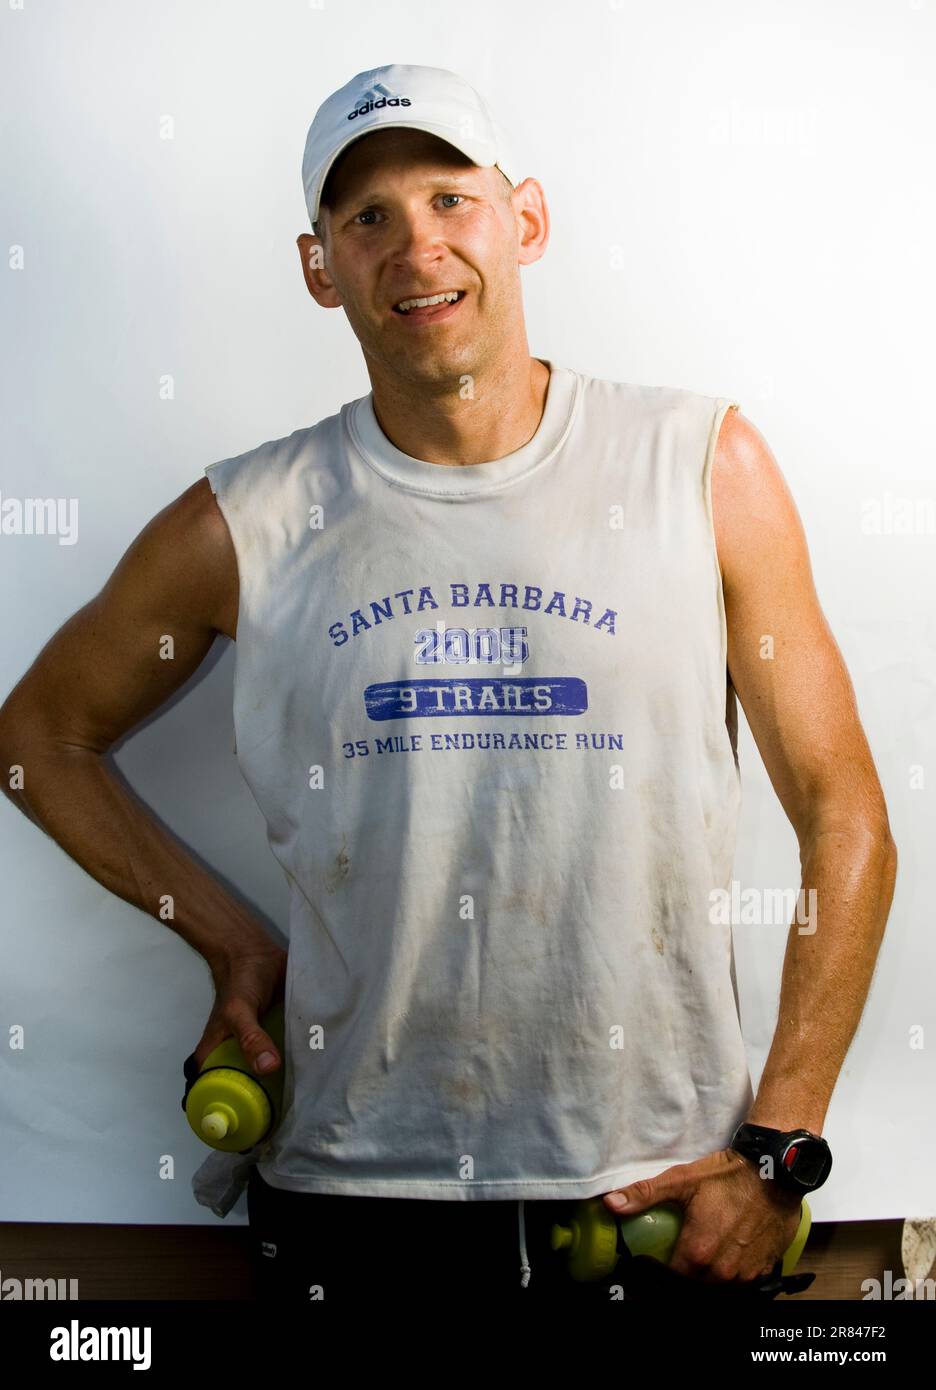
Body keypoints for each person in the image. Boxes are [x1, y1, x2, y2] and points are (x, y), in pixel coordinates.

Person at [0, 63, 897, 1304]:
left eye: (449, 199)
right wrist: (233, 945)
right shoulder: (246, 521)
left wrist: (781, 1143)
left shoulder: (700, 467)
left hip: (663, 1193)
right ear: (321, 269)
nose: (415, 246)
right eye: (367, 218)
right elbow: (36, 738)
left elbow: (846, 808)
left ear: (523, 219)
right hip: (349, 1196)